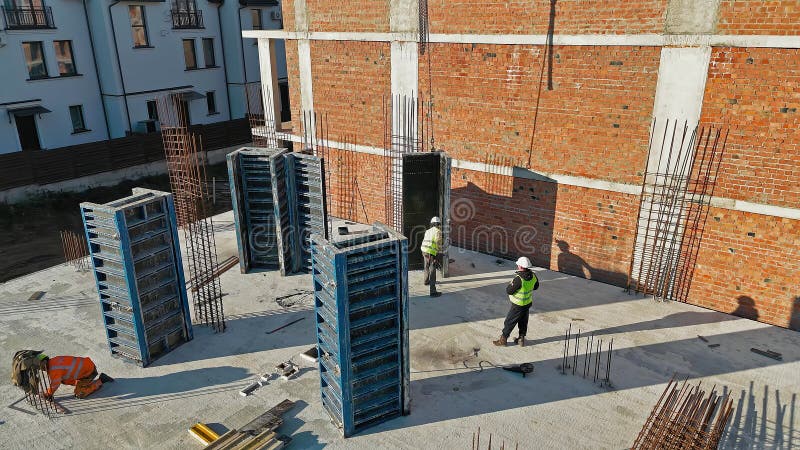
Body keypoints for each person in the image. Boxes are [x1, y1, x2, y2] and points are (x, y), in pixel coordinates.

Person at [494, 256, 539, 347]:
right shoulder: (533, 276)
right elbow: (536, 287)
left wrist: (511, 284)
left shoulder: (519, 279)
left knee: (509, 321)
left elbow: (509, 291)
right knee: (523, 321)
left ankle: (503, 339)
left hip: (517, 305)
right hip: (527, 304)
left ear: (521, 267)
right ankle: (521, 339)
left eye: (518, 265)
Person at [37, 353, 114, 399]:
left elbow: (54, 385)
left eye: (38, 366)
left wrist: (48, 394)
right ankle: (81, 383)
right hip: (87, 365)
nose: (39, 368)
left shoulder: (54, 370)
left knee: (79, 394)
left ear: (43, 363)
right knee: (63, 379)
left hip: (89, 373)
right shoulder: (54, 360)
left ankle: (101, 380)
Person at [420, 216, 443, 298]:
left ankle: (426, 281)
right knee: (432, 269)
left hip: (424, 250)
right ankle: (433, 292)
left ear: (431, 224)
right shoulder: (438, 232)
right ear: (439, 224)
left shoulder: (427, 231)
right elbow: (438, 243)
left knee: (426, 266)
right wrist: (439, 254)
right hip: (430, 253)